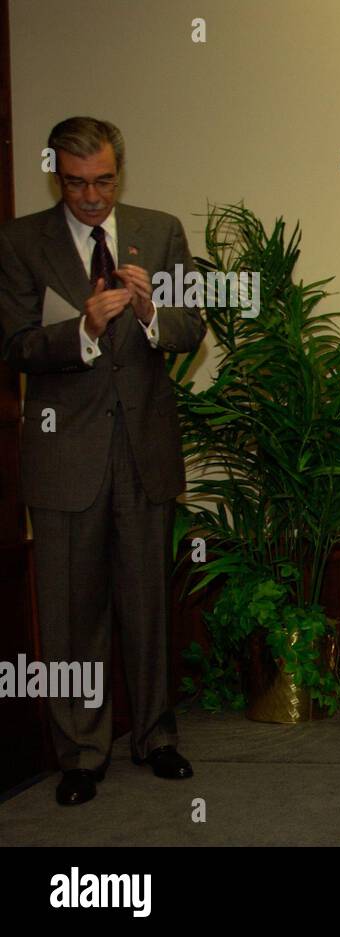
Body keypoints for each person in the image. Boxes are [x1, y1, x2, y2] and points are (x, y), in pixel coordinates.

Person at [0, 117, 206, 805]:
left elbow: (191, 328)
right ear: (55, 174)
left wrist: (150, 313)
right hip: (64, 458)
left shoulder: (163, 228)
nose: (91, 196)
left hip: (143, 452)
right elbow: (15, 346)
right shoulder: (20, 241)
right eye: (76, 182)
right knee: (70, 614)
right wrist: (84, 330)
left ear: (122, 171)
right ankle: (81, 754)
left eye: (104, 180)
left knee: (147, 603)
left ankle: (156, 736)